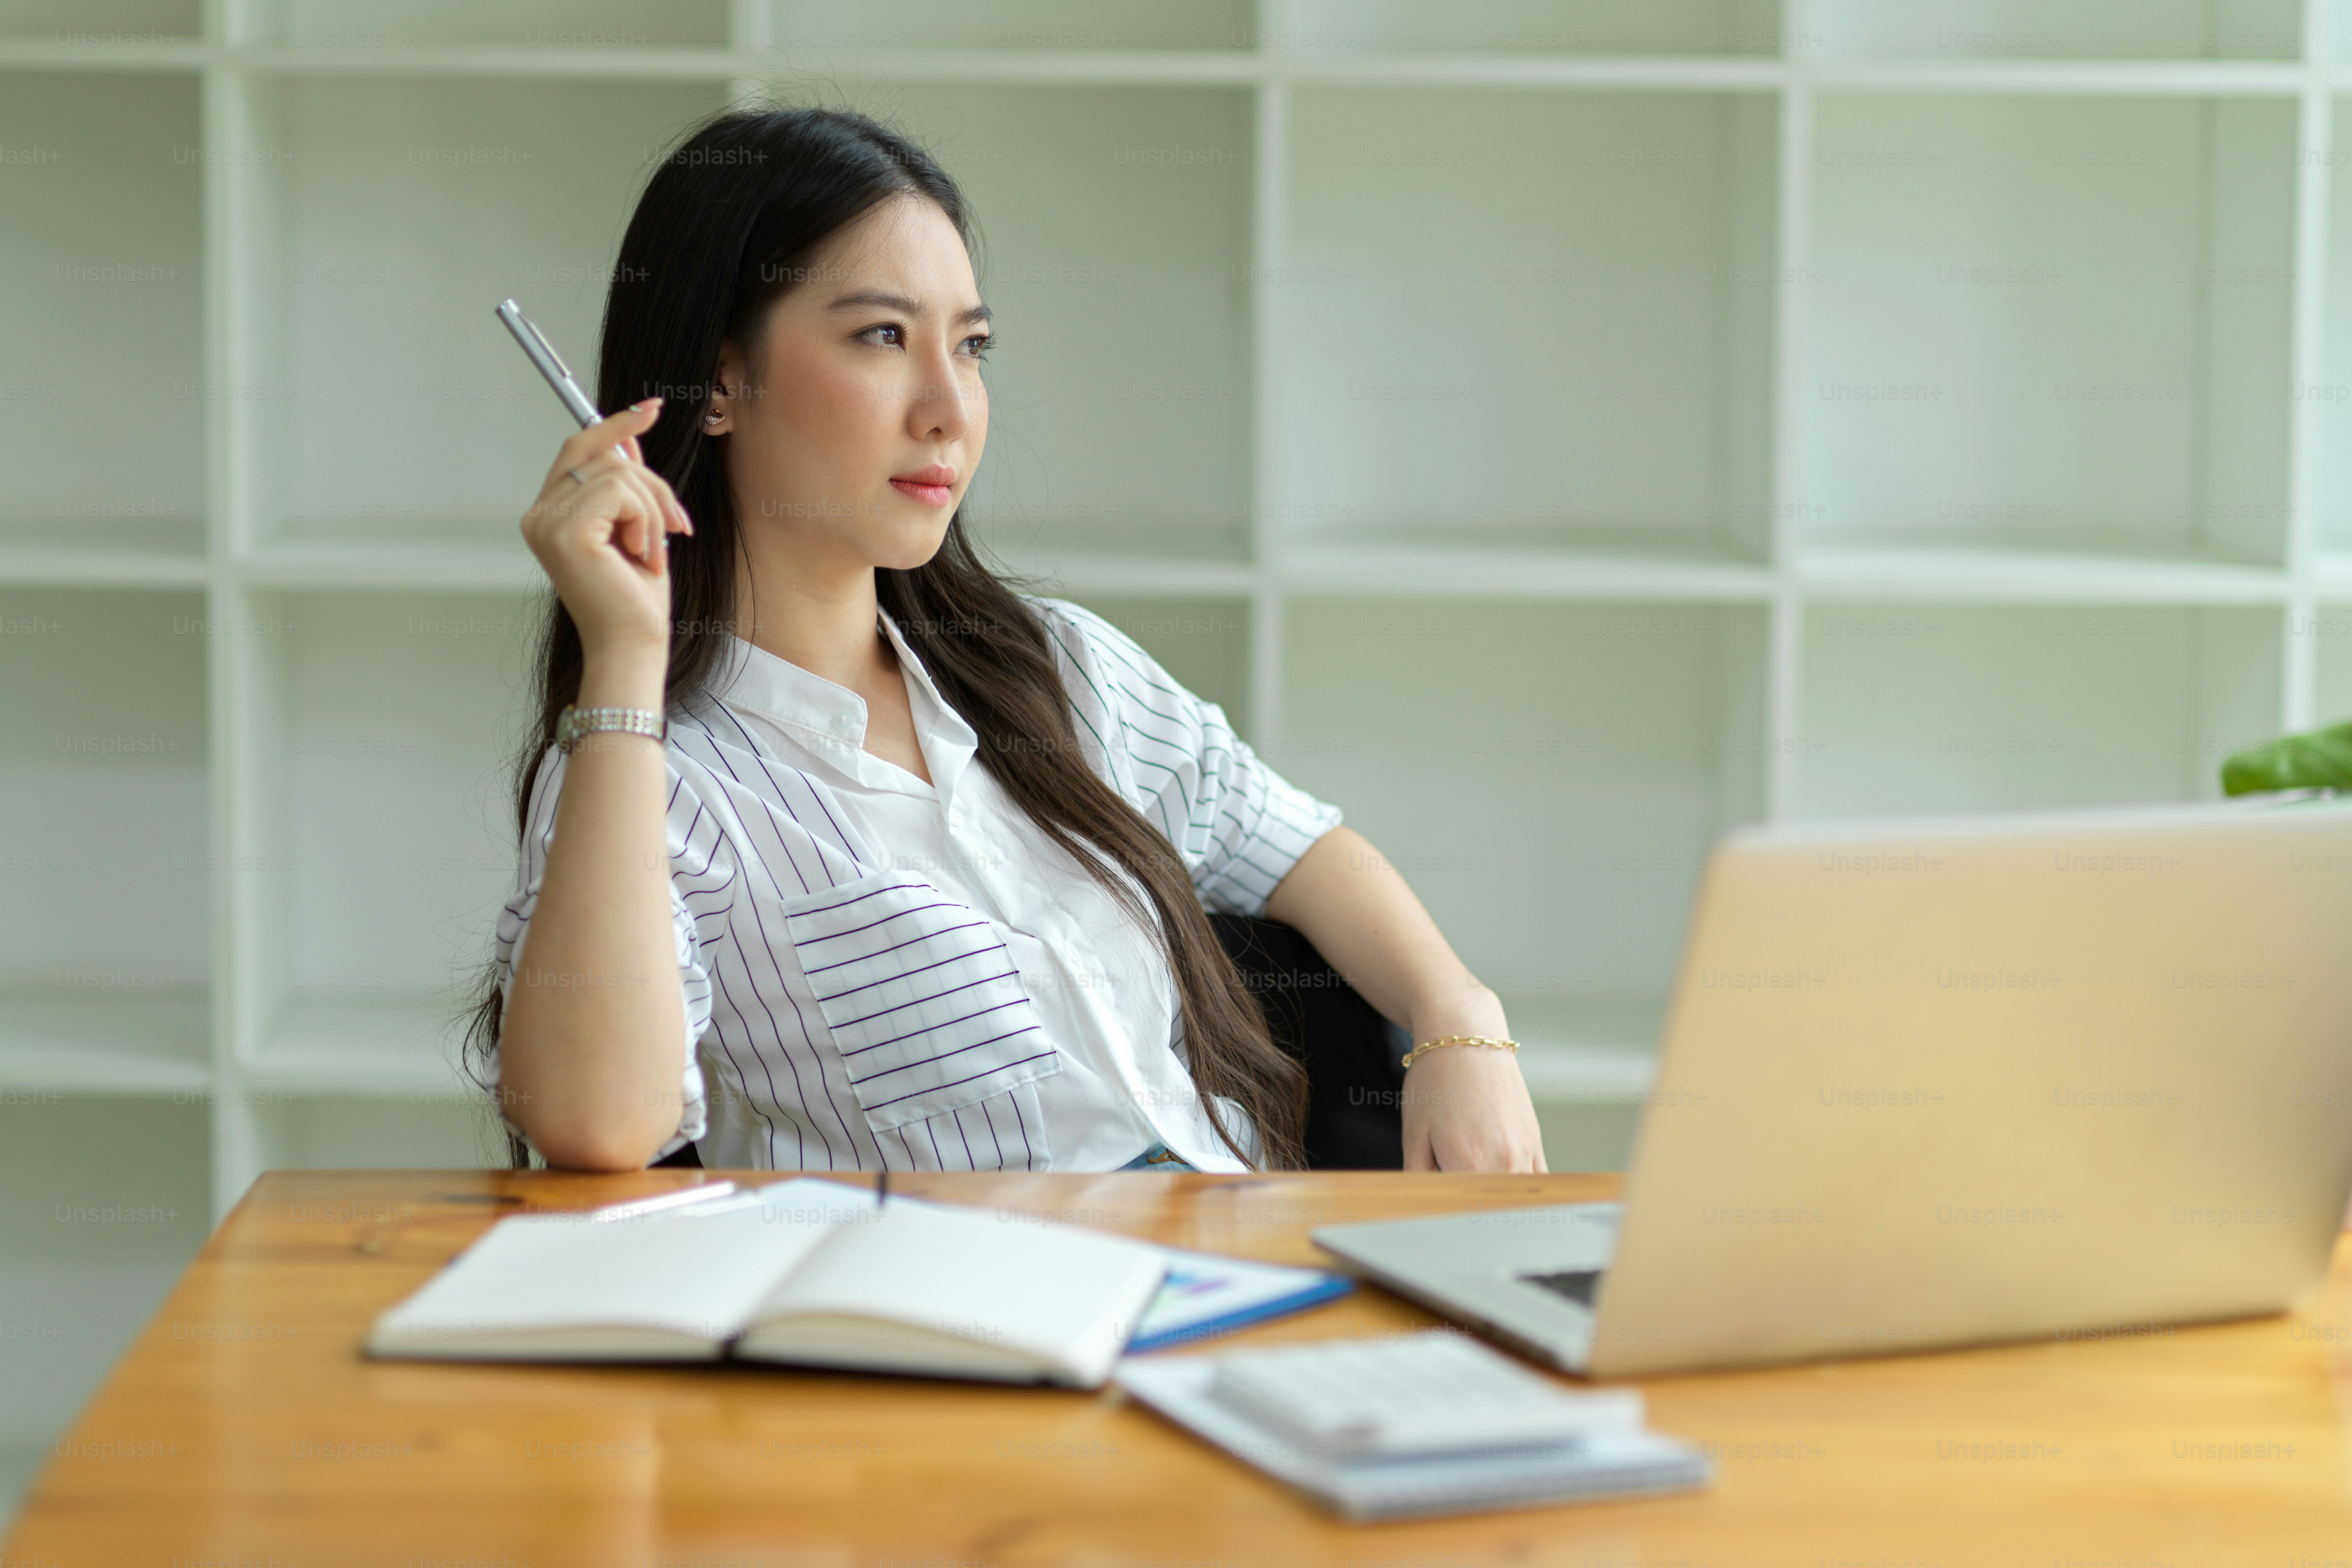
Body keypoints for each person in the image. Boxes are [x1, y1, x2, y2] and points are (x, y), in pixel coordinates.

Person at [475, 105, 1545, 1176]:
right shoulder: (657, 776)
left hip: (1232, 1244)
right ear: (718, 384)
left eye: (971, 346)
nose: (951, 407)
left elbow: (1293, 844)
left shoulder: (1056, 668)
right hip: (957, 1282)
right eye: (882, 336)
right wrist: (625, 656)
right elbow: (596, 1124)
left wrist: (1460, 1021)